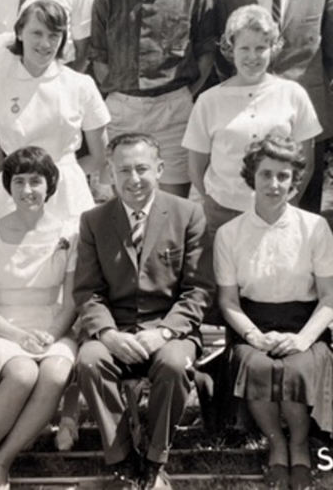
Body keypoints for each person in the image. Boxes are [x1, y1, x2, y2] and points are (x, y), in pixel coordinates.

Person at [74, 133, 212, 490]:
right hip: (115, 330)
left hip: (170, 330)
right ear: (111, 173)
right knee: (90, 361)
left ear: (160, 169)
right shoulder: (94, 220)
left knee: (174, 364)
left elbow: (198, 289)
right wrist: (108, 335)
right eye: (124, 170)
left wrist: (164, 332)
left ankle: (154, 461)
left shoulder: (188, 214)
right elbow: (88, 291)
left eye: (142, 168)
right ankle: (123, 461)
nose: (133, 179)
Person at [214, 134, 333, 490]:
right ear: (252, 178)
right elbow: (228, 301)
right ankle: (276, 444)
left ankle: (299, 446)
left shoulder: (315, 227)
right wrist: (254, 336)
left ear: (294, 180)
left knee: (297, 368)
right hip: (252, 327)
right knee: (258, 366)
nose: (274, 184)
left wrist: (303, 339)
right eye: (266, 174)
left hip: (305, 327)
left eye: (283, 176)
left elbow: (329, 297)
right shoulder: (229, 233)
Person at [213, 0, 333, 215]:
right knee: (247, 210)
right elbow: (224, 55)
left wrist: (301, 89)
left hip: (305, 114)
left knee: (303, 214)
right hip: (247, 114)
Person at [0, 147, 78, 490]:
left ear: (50, 185)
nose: (27, 190)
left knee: (56, 372)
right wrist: (18, 336)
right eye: (19, 181)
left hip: (52, 327)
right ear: (8, 187)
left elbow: (70, 303)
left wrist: (51, 334)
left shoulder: (69, 234)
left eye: (36, 181)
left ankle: (2, 462)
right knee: (23, 372)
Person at [89, 0, 217, 199]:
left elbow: (206, 55)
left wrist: (181, 96)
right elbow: (99, 60)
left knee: (170, 207)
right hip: (122, 112)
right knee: (123, 206)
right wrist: (124, 97)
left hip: (175, 113)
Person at [183, 5, 320, 243]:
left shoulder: (293, 94)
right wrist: (219, 201)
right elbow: (196, 168)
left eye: (261, 48)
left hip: (278, 211)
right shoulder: (209, 101)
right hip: (223, 215)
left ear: (273, 48)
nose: (253, 57)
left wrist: (285, 199)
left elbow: (305, 162)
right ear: (230, 49)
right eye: (244, 48)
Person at [0, 0, 111, 223]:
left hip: (68, 197)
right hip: (15, 194)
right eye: (37, 33)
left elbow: (100, 156)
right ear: (19, 33)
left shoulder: (80, 85)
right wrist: (10, 196)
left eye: (54, 35)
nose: (45, 44)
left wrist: (58, 177)